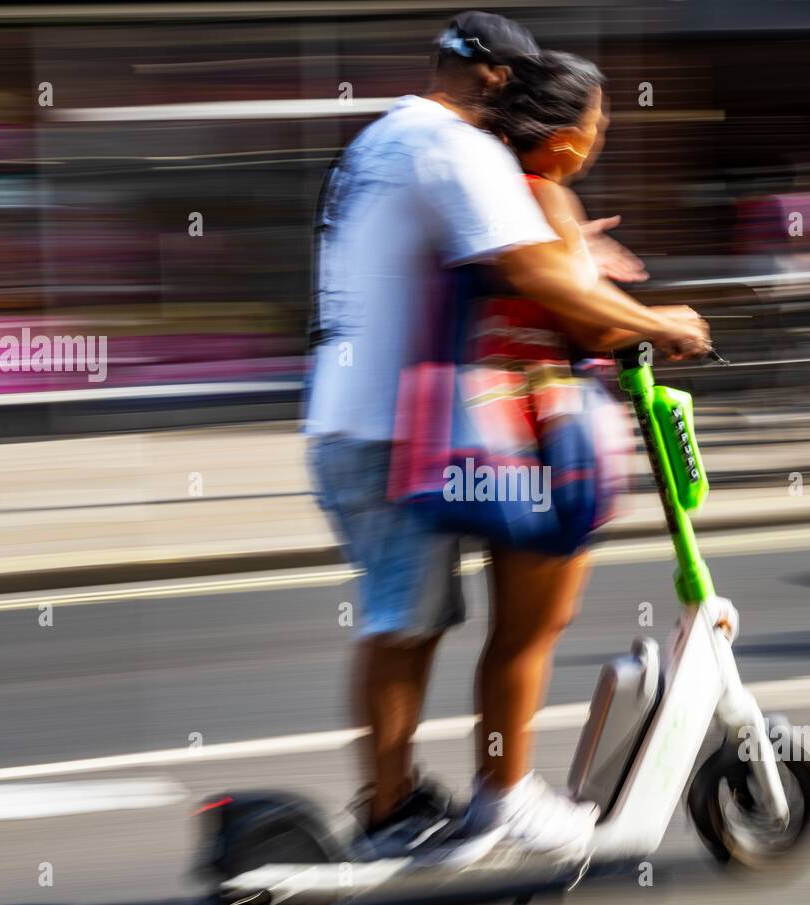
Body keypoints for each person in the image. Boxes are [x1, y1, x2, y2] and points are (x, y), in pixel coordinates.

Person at [304, 12, 711, 858]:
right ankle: (438, 807)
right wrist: (652, 319)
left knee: (414, 618)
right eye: (595, 127)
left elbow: (503, 262)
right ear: (494, 77)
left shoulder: (384, 138)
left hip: (359, 412)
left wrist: (572, 261)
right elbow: (532, 274)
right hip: (402, 423)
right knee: (415, 620)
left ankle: (410, 800)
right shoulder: (460, 151)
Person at [453, 51, 741, 860]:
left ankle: (498, 790)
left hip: (509, 424)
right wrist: (666, 321)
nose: (604, 130)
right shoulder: (544, 191)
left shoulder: (516, 195)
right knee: (529, 628)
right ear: (566, 138)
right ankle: (504, 796)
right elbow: (589, 327)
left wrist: (589, 259)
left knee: (527, 625)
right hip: (536, 428)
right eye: (598, 118)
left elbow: (554, 291)